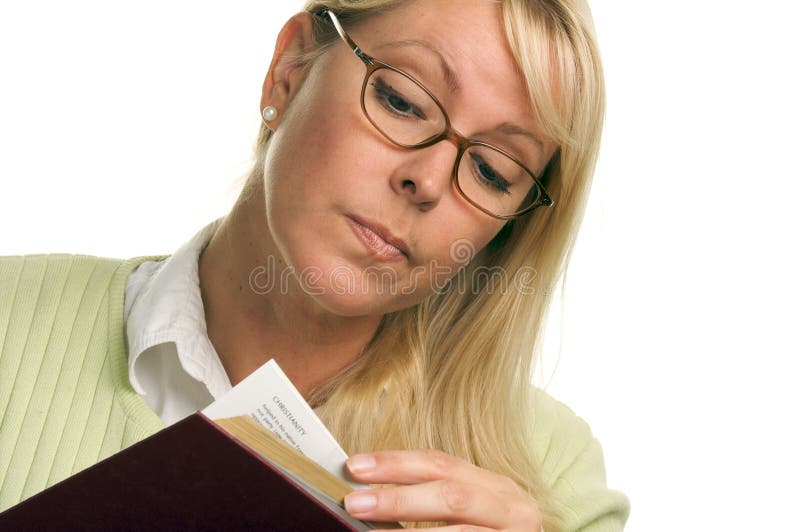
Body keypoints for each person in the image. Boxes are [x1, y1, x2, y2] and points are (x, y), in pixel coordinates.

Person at [0, 0, 629, 529]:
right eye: (404, 101)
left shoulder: (554, 478)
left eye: (495, 172)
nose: (429, 179)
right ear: (290, 70)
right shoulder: (11, 322)